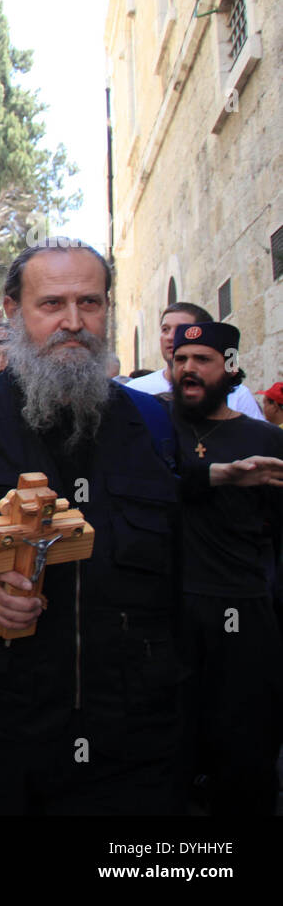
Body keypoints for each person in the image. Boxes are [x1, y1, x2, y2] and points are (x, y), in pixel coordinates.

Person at [0, 240, 283, 814]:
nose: (74, 323)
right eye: (53, 305)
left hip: (131, 732)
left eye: (90, 303)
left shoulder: (153, 425)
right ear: (14, 312)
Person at [167, 321, 283, 815]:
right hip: (168, 611)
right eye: (180, 360)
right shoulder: (151, 429)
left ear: (228, 367)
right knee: (170, 747)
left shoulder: (263, 438)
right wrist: (217, 476)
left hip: (244, 611)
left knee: (244, 751)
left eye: (202, 359)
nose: (188, 369)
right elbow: (154, 481)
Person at [127, 302, 264, 420]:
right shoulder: (135, 390)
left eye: (181, 330)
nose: (170, 337)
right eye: (165, 329)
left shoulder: (238, 396)